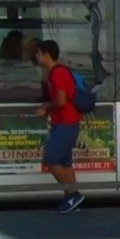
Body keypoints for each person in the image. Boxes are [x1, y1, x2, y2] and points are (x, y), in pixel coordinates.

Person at [33, 39, 85, 213]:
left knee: (51, 159)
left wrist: (46, 108)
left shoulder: (57, 73)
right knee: (65, 162)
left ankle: (73, 194)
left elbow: (61, 101)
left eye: (38, 53)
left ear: (46, 54)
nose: (36, 56)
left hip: (66, 123)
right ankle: (71, 202)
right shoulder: (57, 72)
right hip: (66, 123)